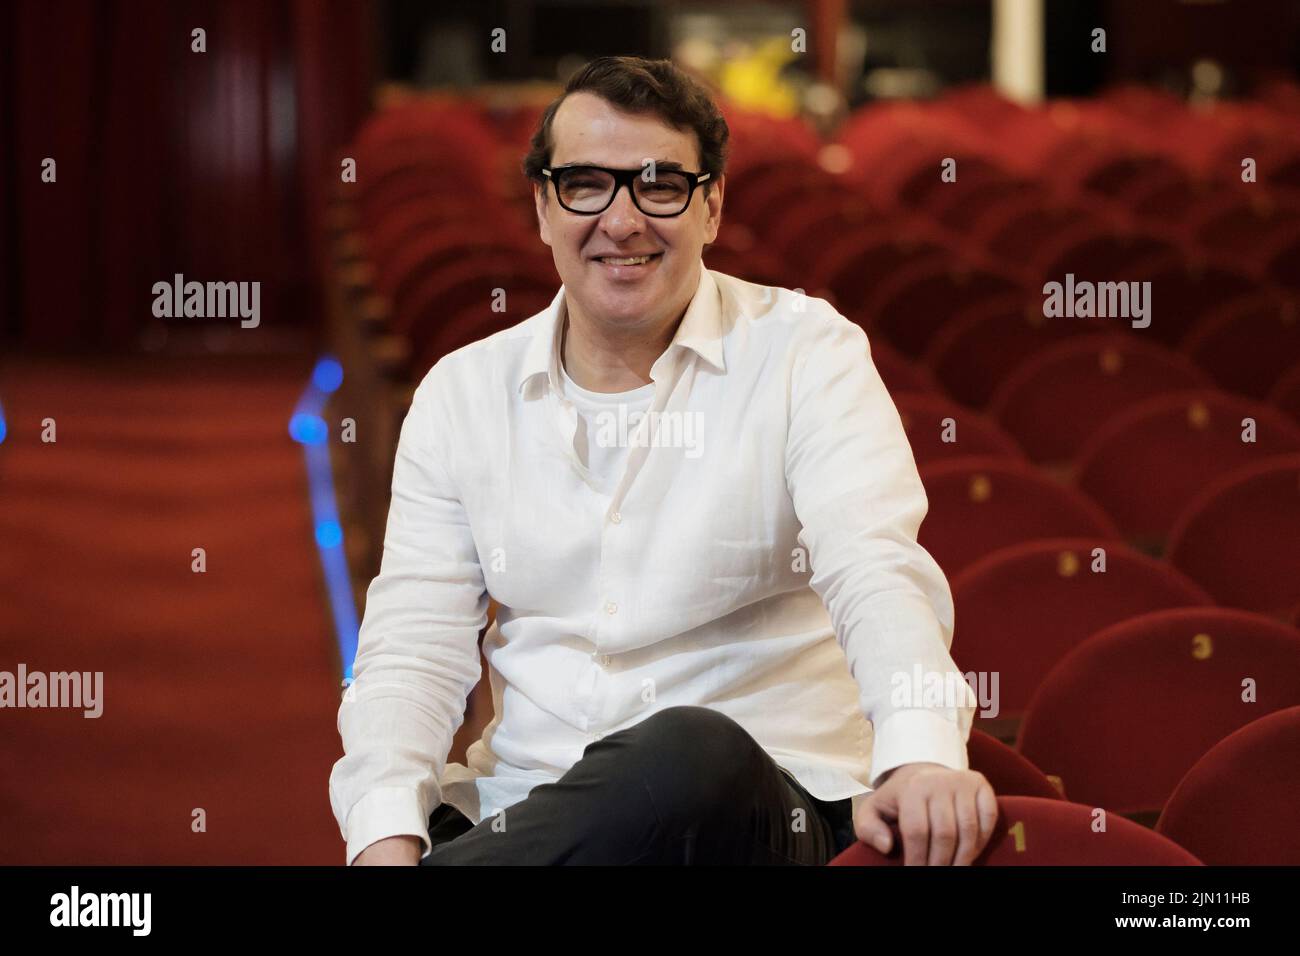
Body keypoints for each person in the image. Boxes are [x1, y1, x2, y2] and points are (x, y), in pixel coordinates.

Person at [329, 55, 998, 866]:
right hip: (526, 808)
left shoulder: (806, 353)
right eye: (585, 184)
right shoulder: (462, 394)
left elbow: (876, 566)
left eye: (659, 184)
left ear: (711, 206)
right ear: (542, 206)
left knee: (688, 752)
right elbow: (412, 647)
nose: (621, 220)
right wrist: (383, 839)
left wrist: (922, 748)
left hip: (756, 804)